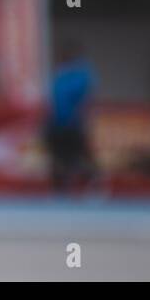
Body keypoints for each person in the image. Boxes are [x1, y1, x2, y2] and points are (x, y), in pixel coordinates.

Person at [44, 39, 98, 192]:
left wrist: (84, 121)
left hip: (73, 123)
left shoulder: (81, 74)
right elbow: (53, 100)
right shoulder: (61, 73)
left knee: (75, 157)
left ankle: (91, 182)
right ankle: (61, 187)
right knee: (58, 157)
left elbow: (85, 100)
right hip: (56, 123)